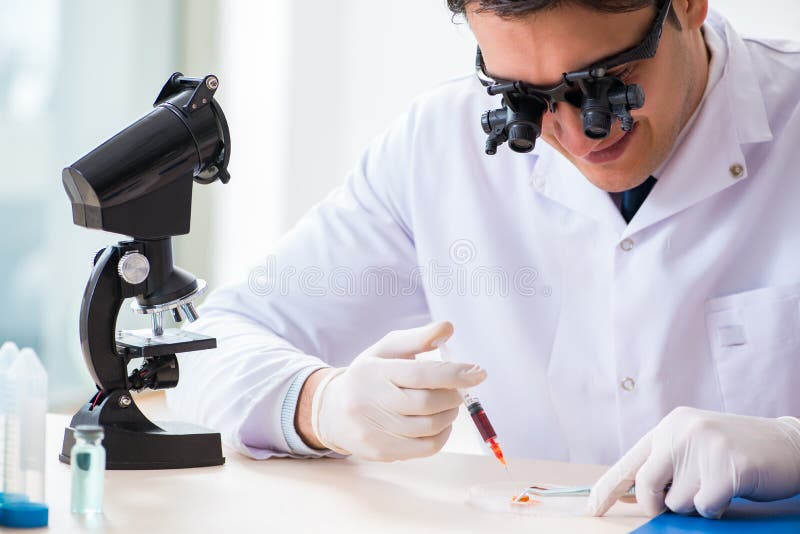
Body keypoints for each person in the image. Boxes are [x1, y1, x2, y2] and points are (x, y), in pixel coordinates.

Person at [166, 0, 800, 520]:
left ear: (687, 6)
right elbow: (205, 348)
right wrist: (319, 403)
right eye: (525, 98)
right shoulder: (440, 146)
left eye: (609, 86)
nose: (579, 135)